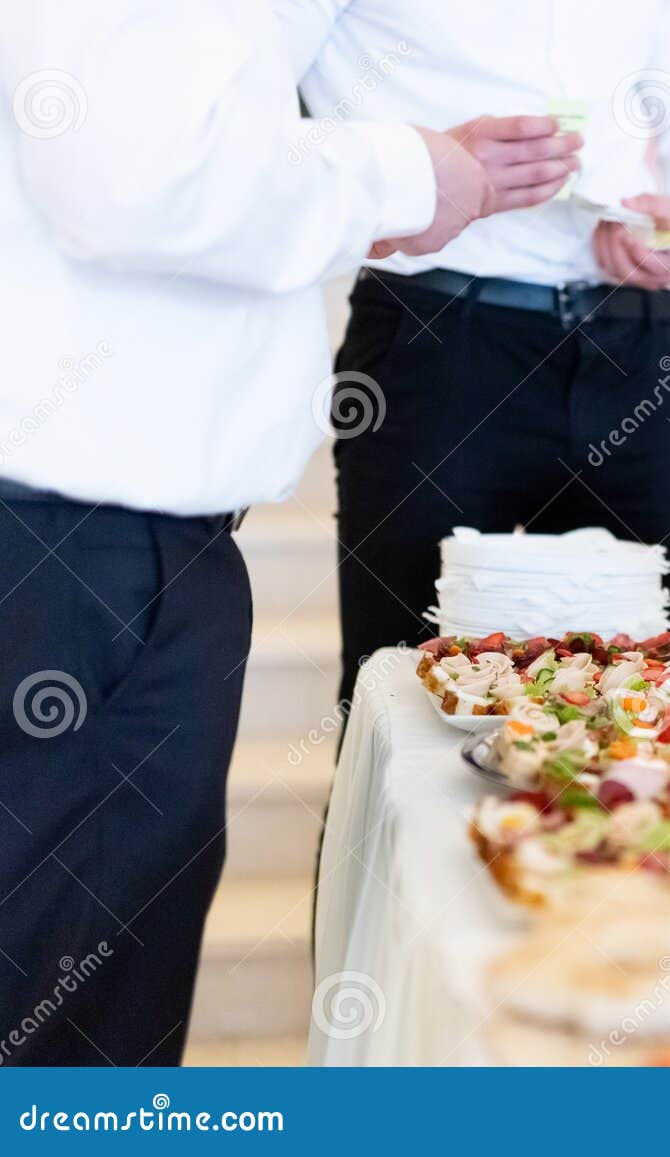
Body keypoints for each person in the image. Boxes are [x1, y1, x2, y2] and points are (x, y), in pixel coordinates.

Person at [0, 1, 575, 1064]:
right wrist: (406, 172)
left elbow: (172, 143)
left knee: (102, 1018)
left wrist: (391, 185)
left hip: (130, 548)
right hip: (62, 545)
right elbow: (137, 180)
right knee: (54, 1016)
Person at [273, 0, 670, 712]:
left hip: (629, 348)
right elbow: (247, 115)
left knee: (650, 694)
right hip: (435, 345)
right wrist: (411, 173)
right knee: (404, 681)